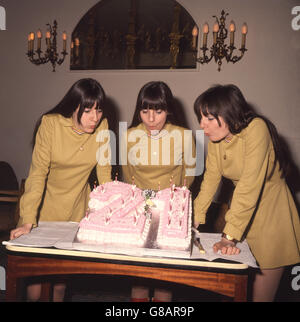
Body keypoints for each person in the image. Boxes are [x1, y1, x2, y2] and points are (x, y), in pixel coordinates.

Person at [193, 84, 300, 302]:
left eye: (209, 118)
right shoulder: (217, 139)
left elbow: (250, 184)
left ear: (228, 113)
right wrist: (193, 218)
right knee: (232, 291)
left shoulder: (257, 128)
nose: (201, 125)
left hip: (271, 217)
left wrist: (229, 236)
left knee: (261, 297)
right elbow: (210, 180)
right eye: (201, 118)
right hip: (240, 213)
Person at [10, 78, 112, 301]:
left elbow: (104, 177)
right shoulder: (50, 124)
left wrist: (107, 217)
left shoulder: (102, 127)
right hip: (42, 210)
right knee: (36, 286)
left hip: (76, 211)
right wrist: (28, 219)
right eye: (87, 111)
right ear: (73, 106)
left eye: (99, 110)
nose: (95, 117)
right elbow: (37, 174)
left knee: (59, 286)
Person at [121, 81, 196, 302]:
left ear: (169, 110)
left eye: (158, 111)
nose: (151, 119)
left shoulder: (184, 136)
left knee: (164, 280)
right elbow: (128, 176)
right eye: (145, 111)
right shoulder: (129, 136)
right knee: (139, 278)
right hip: (139, 210)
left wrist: (172, 206)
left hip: (172, 210)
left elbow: (188, 177)